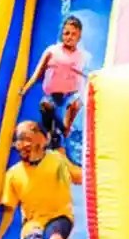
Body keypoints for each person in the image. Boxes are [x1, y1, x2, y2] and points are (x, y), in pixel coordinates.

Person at [19, 15, 89, 145]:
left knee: (76, 103)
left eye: (73, 34)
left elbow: (85, 76)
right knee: (45, 105)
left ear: (79, 36)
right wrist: (24, 89)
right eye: (66, 33)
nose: (69, 37)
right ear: (62, 34)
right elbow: (37, 73)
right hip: (52, 95)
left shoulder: (82, 56)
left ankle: (66, 130)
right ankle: (53, 132)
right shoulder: (52, 51)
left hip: (70, 95)